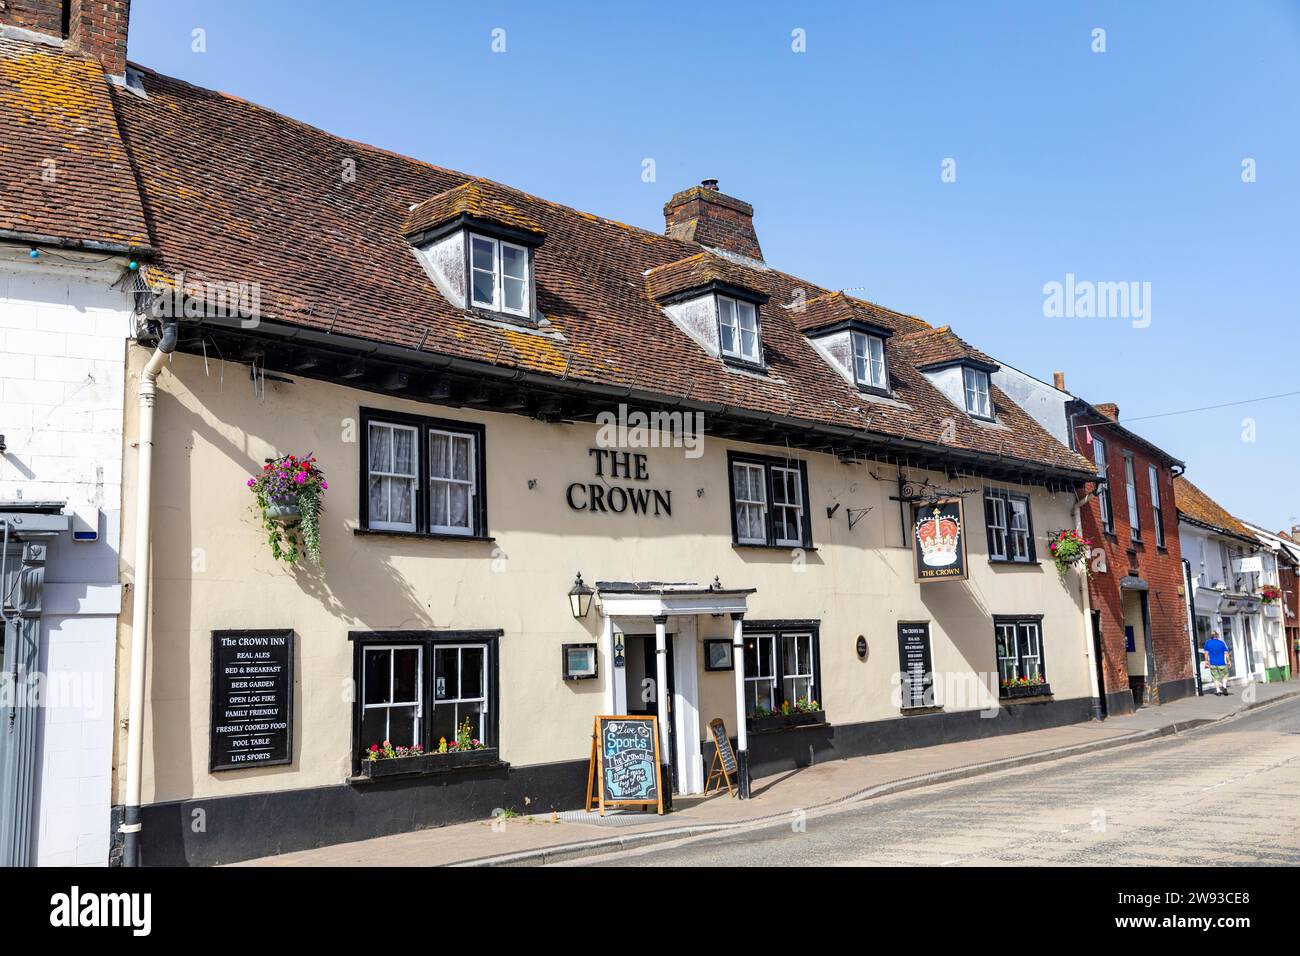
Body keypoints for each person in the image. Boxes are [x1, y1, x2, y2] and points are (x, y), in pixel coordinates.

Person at [1201, 630, 1232, 696]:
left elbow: (1206, 653)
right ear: (1217, 636)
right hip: (1222, 663)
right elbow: (1226, 653)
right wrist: (1229, 661)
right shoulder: (1221, 643)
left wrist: (1206, 661)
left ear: (1211, 636)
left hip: (1213, 663)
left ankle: (1218, 691)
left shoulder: (1208, 643)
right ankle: (1224, 686)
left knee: (1215, 677)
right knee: (1225, 675)